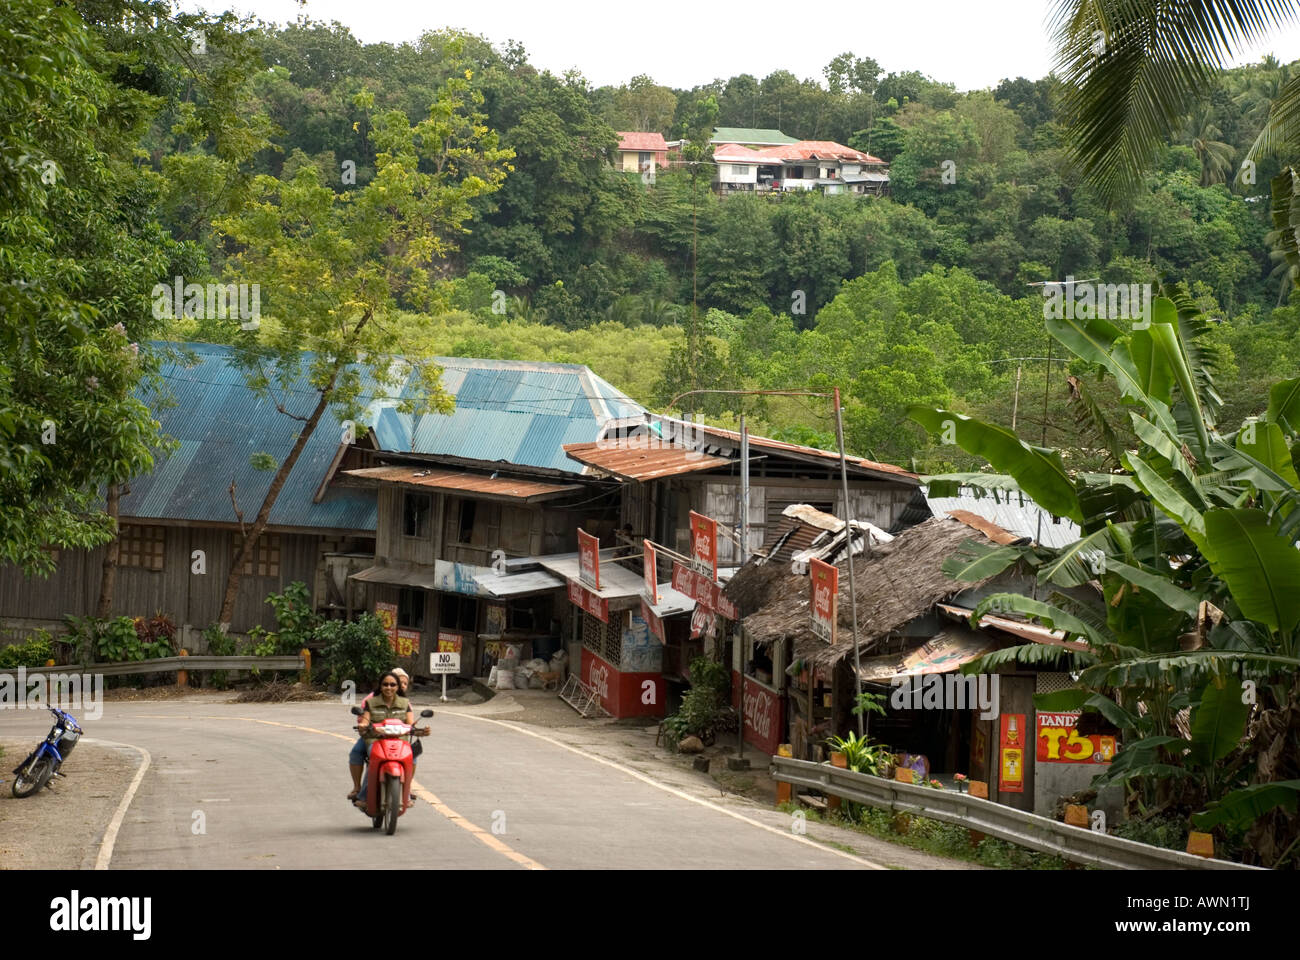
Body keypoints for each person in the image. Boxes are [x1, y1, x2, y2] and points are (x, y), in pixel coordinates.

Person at [348, 672, 410, 804]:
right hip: (375, 740)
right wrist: (363, 725)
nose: (389, 687)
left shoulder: (405, 703)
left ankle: (407, 793)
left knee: (411, 757)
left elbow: (411, 724)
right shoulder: (371, 702)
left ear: (398, 686)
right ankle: (362, 794)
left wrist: (422, 730)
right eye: (385, 684)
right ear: (380, 686)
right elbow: (365, 719)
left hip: (399, 741)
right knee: (372, 759)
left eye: (392, 685)